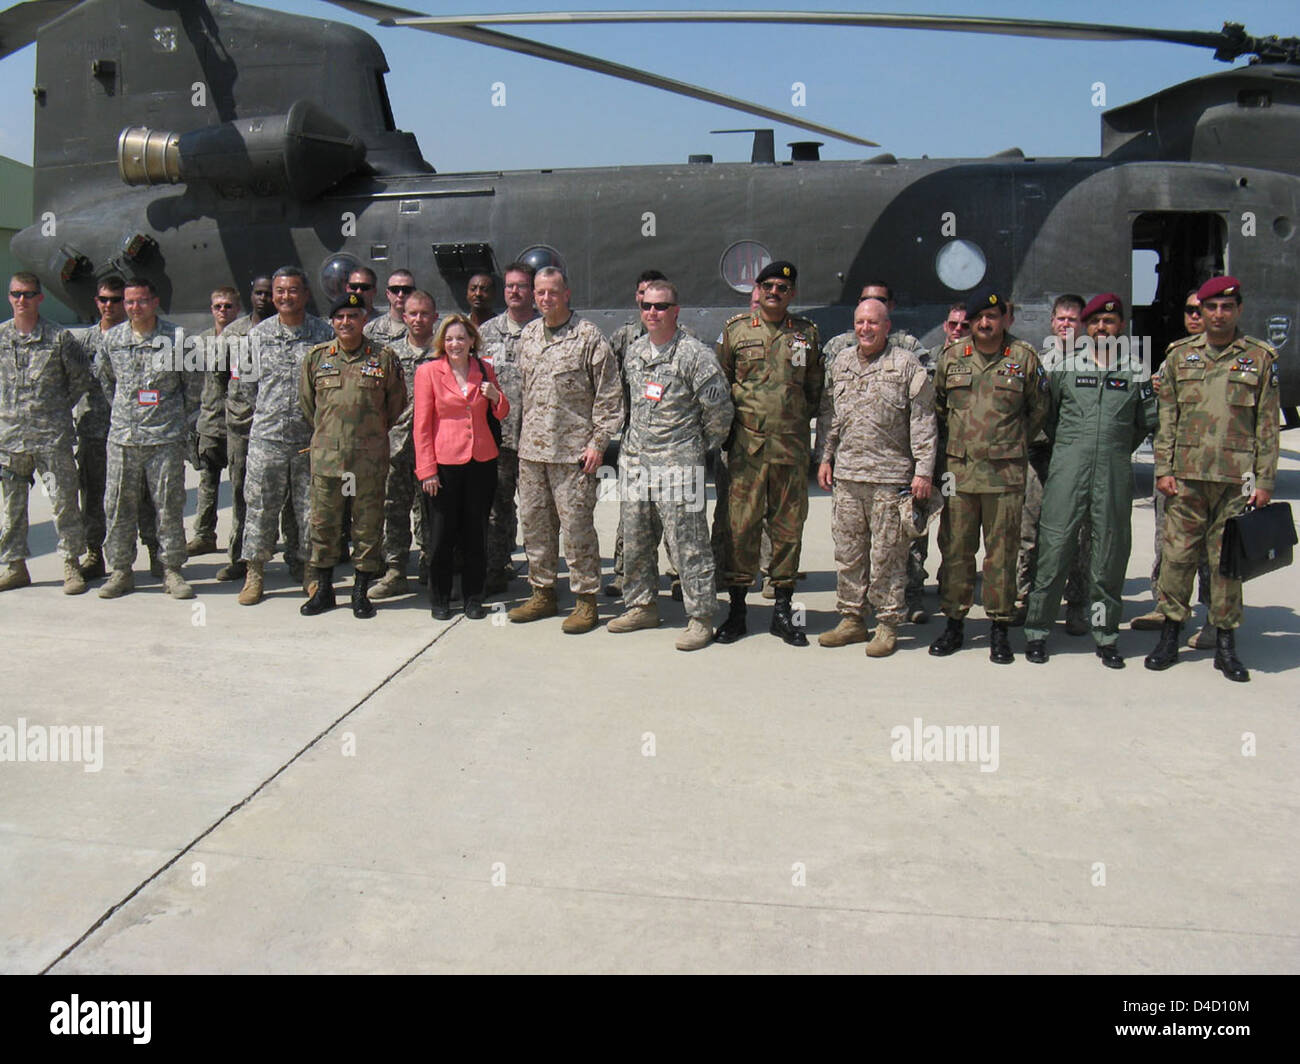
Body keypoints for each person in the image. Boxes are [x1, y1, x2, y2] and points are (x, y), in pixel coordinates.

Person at [1145, 276, 1280, 682]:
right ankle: (1170, 634)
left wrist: (1266, 480)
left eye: (1227, 307)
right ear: (1200, 313)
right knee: (1177, 559)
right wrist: (1163, 469)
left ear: (1238, 310)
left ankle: (1225, 643)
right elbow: (1167, 419)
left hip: (1235, 481)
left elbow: (1267, 424)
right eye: (1211, 308)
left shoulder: (1259, 358)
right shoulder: (1179, 356)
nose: (1218, 314)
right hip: (1185, 478)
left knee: (1227, 565)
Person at [1024, 294, 1157, 668]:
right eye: (1095, 321)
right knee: (1054, 549)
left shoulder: (1135, 371)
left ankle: (1106, 635)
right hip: (1068, 468)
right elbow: (1047, 419)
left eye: (1109, 322)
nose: (1102, 327)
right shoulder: (1064, 368)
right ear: (1087, 326)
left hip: (1113, 472)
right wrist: (1074, 448)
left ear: (1121, 327)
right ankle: (1037, 633)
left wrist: (1114, 449)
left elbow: (1144, 423)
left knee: (1109, 556)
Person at [607, 280, 733, 650]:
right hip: (636, 463)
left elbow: (720, 413)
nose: (652, 313)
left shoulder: (695, 355)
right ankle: (643, 605)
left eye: (661, 307)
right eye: (646, 306)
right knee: (635, 541)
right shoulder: (633, 353)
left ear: (676, 311)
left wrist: (694, 448)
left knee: (689, 544)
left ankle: (700, 617)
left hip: (680, 465)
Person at [929, 287, 1049, 662]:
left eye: (992, 316)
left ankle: (999, 628)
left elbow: (1039, 410)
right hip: (959, 475)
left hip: (1005, 476)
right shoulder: (951, 357)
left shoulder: (1024, 358)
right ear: (970, 321)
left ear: (1004, 320)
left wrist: (1010, 444)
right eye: (979, 317)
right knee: (956, 551)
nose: (985, 323)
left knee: (1002, 555)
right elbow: (939, 409)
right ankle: (954, 624)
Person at [816, 297, 936, 656]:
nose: (865, 329)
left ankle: (886, 623)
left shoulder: (906, 365)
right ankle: (852, 618)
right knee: (849, 553)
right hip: (849, 478)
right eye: (860, 322)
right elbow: (833, 416)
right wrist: (825, 457)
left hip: (889, 479)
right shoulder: (842, 362)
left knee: (887, 555)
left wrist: (924, 470)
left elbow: (924, 422)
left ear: (887, 326)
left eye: (873, 322)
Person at [508, 266, 623, 633]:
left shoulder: (588, 337)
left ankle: (586, 599)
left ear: (567, 294)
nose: (545, 299)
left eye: (552, 293)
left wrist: (598, 444)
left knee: (576, 530)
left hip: (574, 456)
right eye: (539, 293)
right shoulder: (527, 335)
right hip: (531, 453)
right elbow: (522, 393)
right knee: (536, 528)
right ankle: (542, 592)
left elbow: (609, 397)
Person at [715, 260, 823, 646]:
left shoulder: (806, 334)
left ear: (792, 294)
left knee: (788, 531)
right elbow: (722, 385)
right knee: (740, 529)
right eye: (768, 286)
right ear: (757, 291)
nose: (775, 292)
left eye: (783, 287)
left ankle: (783, 609)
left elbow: (814, 390)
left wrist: (789, 422)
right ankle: (738, 609)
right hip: (747, 450)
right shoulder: (737, 332)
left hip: (790, 450)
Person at [299, 292, 406, 618]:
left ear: (364, 320)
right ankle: (325, 590)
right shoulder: (317, 358)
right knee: (325, 525)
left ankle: (361, 592)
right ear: (333, 321)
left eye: (353, 316)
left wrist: (366, 432)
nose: (346, 322)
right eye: (340, 317)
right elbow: (308, 405)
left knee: (367, 526)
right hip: (329, 461)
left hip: (367, 461)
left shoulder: (384, 358)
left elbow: (395, 404)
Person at [238, 266, 333, 605]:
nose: (285, 297)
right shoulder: (256, 336)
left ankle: (309, 571)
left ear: (306, 295)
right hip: (267, 439)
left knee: (310, 511)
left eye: (293, 290)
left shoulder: (325, 336)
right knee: (261, 508)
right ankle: (255, 572)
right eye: (280, 291)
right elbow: (246, 388)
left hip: (310, 440)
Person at [96, 277, 195, 599]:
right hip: (123, 439)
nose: (134, 308)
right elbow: (107, 382)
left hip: (164, 439)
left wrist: (174, 421)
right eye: (128, 302)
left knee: (169, 506)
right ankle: (121, 571)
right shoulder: (113, 339)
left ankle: (172, 570)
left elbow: (193, 387)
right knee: (118, 507)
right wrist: (127, 414)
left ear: (154, 302)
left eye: (140, 301)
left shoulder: (177, 339)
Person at [0, 273, 93, 594]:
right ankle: (14, 566)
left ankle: (71, 564)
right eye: (16, 294)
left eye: (28, 294)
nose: (21, 300)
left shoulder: (59, 338)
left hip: (52, 439)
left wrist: (56, 408)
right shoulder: (0, 338)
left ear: (40, 297)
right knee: (12, 507)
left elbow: (82, 378)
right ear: (10, 297)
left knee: (64, 503)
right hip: (11, 439)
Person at [1131, 288, 1214, 644]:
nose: (1196, 316)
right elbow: (1158, 416)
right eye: (1190, 310)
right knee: (1167, 540)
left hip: (1217, 471)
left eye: (1202, 309)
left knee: (1215, 550)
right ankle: (1165, 605)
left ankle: (1213, 616)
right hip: (1174, 467)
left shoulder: (1241, 356)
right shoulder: (1174, 358)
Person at [413, 314, 509, 619]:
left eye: (461, 338)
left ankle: (473, 596)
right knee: (442, 534)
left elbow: (502, 412)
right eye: (450, 339)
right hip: (444, 463)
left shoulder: (484, 369)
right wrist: (426, 469)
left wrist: (496, 396)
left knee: (476, 533)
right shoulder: (428, 372)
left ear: (472, 342)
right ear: (443, 342)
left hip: (481, 460)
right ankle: (440, 596)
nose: (456, 344)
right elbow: (422, 426)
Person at [71, 275, 160, 580]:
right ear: (96, 302)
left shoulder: (149, 336)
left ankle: (155, 552)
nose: (109, 305)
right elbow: (70, 382)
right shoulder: (84, 342)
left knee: (146, 495)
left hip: (137, 431)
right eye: (103, 299)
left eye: (115, 299)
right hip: (95, 432)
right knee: (96, 496)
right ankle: (95, 553)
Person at [1015, 293, 1089, 631]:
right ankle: (1024, 600)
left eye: (1072, 320)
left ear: (1083, 324)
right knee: (1027, 532)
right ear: (1051, 322)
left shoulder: (1094, 363)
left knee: (1076, 535)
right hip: (1038, 456)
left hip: (1073, 458)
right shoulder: (1038, 360)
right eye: (1061, 319)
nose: (1065, 325)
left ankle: (1076, 605)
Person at [199, 274, 274, 582]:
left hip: (280, 426)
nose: (264, 298)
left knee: (289, 498)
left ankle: (298, 560)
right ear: (251, 295)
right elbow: (217, 382)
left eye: (270, 293)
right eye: (259, 292)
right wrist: (218, 423)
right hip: (241, 426)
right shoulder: (232, 334)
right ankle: (239, 558)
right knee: (241, 493)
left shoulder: (290, 330)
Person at [370, 289, 438, 599]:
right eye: (413, 313)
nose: (419, 319)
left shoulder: (446, 352)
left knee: (432, 510)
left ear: (434, 317)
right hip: (396, 445)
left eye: (425, 313)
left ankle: (430, 562)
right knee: (393, 507)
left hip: (436, 448)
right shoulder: (388, 354)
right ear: (404, 316)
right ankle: (396, 568)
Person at [606, 269, 668, 597]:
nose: (649, 303)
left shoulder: (681, 336)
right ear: (637, 298)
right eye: (642, 295)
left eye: (654, 295)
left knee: (674, 509)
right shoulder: (623, 336)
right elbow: (611, 382)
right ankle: (623, 571)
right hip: (634, 434)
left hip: (669, 440)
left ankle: (677, 574)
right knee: (630, 510)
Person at [478, 262, 537, 595]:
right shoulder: (487, 333)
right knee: (497, 508)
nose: (515, 291)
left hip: (536, 438)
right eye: (510, 286)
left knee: (537, 511)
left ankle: (539, 575)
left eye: (522, 286)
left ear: (531, 291)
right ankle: (496, 568)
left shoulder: (546, 330)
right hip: (498, 436)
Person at [187, 285, 241, 557]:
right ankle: (204, 534)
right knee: (207, 482)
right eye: (218, 306)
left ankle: (240, 538)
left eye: (228, 306)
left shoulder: (247, 340)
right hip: (209, 423)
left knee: (240, 486)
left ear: (237, 309)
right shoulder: (200, 343)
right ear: (211, 309)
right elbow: (189, 385)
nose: (223, 311)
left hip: (240, 425)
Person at [364, 268, 414, 344]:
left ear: (414, 293)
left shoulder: (423, 328)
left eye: (406, 290)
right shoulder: (371, 329)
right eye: (395, 290)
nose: (400, 294)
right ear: (388, 293)